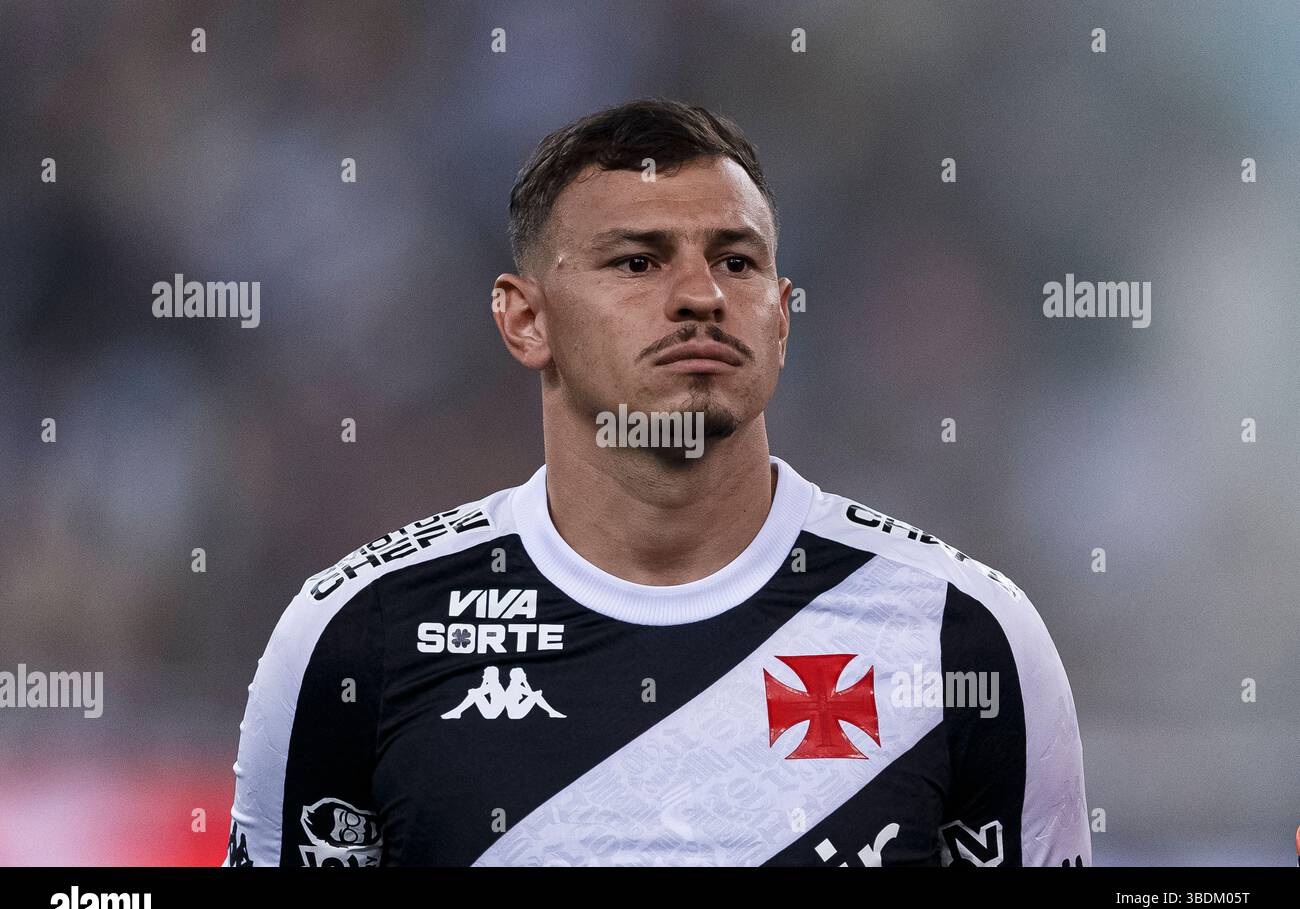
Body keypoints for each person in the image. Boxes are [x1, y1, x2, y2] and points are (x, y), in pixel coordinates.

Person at [222, 98, 1090, 867]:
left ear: (782, 318)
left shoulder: (963, 636)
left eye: (737, 263)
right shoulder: (357, 639)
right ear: (525, 320)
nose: (701, 295)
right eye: (639, 261)